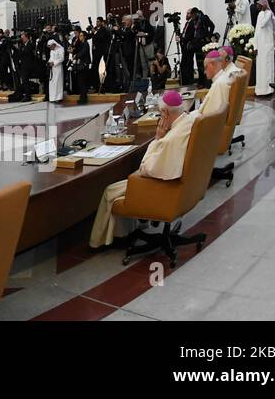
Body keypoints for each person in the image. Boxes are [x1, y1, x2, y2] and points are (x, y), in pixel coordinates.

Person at [89, 90, 201, 247]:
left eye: (161, 114)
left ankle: (101, 242)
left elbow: (146, 168)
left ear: (165, 112)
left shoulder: (169, 140)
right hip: (187, 186)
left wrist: (158, 138)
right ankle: (131, 229)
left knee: (110, 191)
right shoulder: (189, 121)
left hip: (165, 188)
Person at [199, 46, 237, 115]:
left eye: (206, 67)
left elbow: (210, 114)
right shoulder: (222, 78)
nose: (204, 72)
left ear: (211, 65)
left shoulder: (219, 84)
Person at [45, 37, 65, 104]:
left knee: (58, 83)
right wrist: (49, 62)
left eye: (51, 47)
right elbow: (51, 58)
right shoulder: (52, 50)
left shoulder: (60, 49)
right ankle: (52, 97)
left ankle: (58, 98)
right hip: (52, 69)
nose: (50, 48)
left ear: (54, 44)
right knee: (52, 83)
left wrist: (54, 63)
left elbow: (61, 59)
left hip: (58, 68)